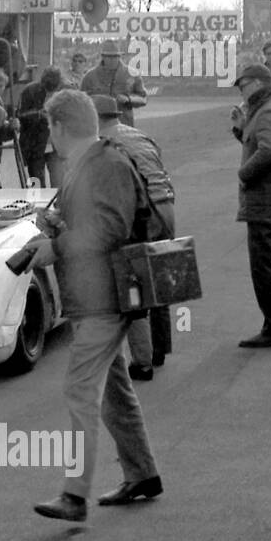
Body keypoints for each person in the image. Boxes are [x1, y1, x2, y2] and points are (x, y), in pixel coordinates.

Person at [19, 91, 162, 522]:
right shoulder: (95, 163)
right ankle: (142, 474)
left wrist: (56, 246)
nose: (50, 136)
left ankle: (75, 495)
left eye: (50, 127)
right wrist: (60, 226)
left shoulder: (104, 165)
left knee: (81, 391)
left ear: (60, 127)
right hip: (100, 295)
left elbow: (110, 228)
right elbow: (98, 223)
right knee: (113, 390)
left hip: (105, 295)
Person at [93, 95, 177, 379]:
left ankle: (142, 361)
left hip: (141, 213)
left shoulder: (103, 143)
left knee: (133, 285)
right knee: (160, 280)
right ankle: (159, 350)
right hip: (166, 206)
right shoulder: (140, 135)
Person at [229, 63, 271, 347]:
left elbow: (269, 151)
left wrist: (243, 174)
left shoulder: (268, 110)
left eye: (243, 85)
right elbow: (266, 143)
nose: (241, 91)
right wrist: (241, 128)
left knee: (263, 267)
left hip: (265, 200)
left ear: (256, 83)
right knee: (270, 264)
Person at [17, 67, 65, 187]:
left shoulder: (65, 92)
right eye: (47, 88)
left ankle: (58, 205)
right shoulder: (29, 91)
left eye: (54, 88)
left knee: (59, 183)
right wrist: (38, 114)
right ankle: (36, 203)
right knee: (36, 184)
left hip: (56, 145)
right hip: (34, 144)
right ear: (42, 82)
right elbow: (20, 115)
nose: (50, 92)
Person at [81, 40, 148, 126]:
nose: (112, 59)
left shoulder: (132, 74)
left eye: (115, 56)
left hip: (124, 124)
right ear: (103, 56)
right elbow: (81, 101)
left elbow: (143, 99)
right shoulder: (89, 76)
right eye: (109, 56)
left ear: (120, 56)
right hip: (98, 125)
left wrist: (128, 99)